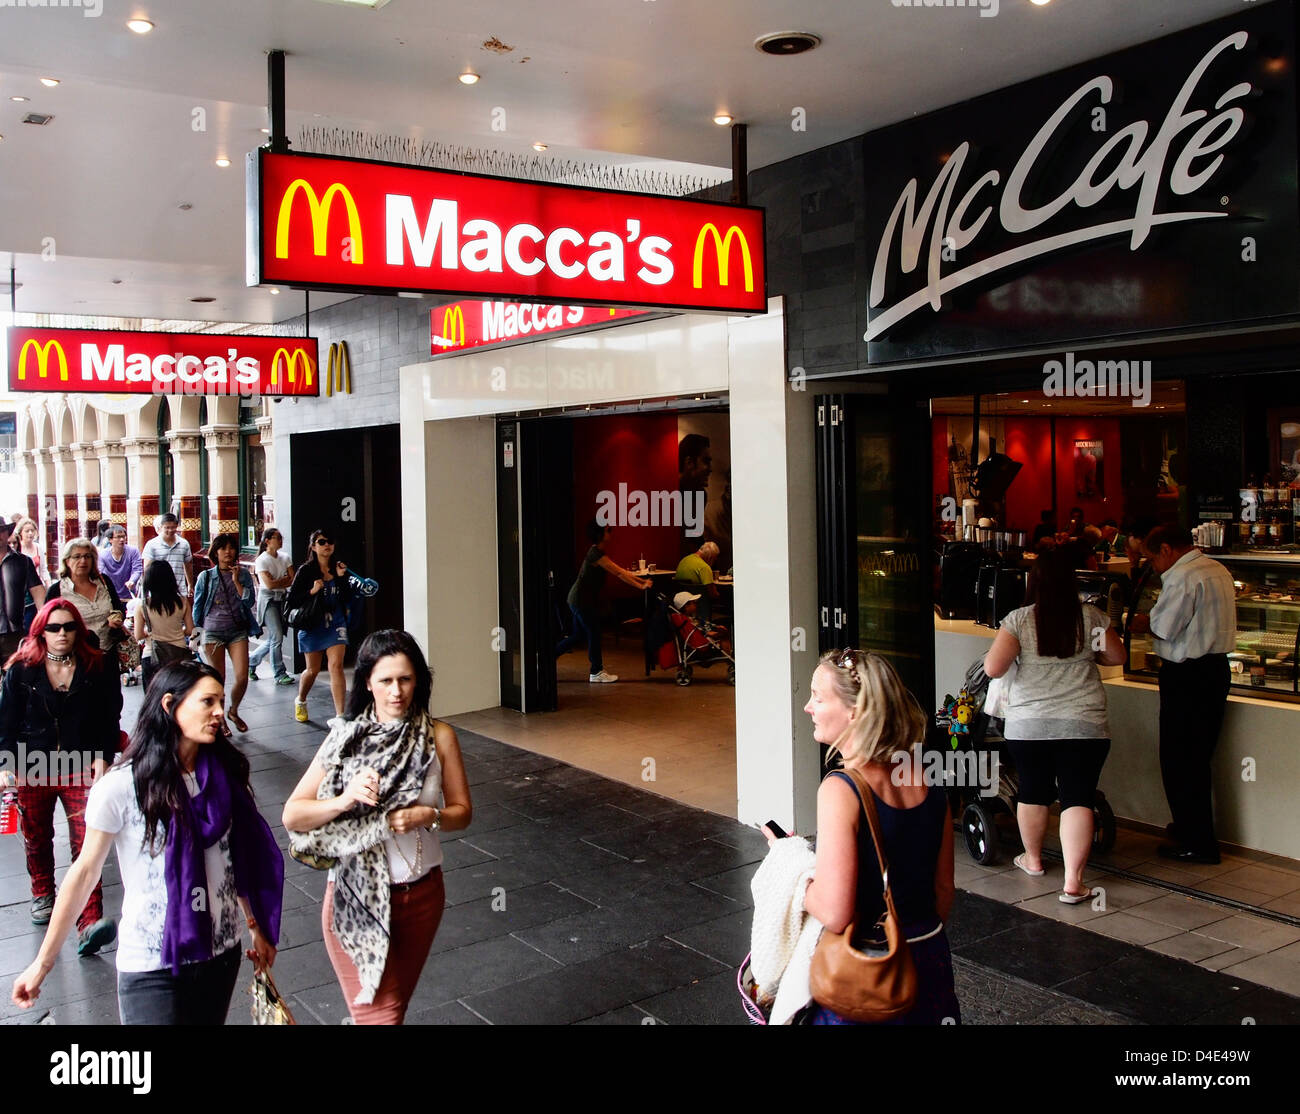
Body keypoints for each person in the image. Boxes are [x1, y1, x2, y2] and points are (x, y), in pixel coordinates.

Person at [9, 660, 284, 1024]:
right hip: (151, 961)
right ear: (169, 706)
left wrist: (255, 926)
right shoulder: (121, 786)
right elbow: (84, 872)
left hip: (220, 951)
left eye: (221, 701)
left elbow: (237, 859)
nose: (219, 712)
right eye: (207, 702)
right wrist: (42, 964)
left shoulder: (223, 774)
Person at [283, 630, 471, 1024]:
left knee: (390, 1011)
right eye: (385, 680)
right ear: (367, 683)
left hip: (422, 896)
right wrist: (344, 798)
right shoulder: (344, 739)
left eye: (404, 679)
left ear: (418, 679)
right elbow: (293, 814)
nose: (396, 691)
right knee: (380, 1018)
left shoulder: (439, 737)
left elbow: (462, 812)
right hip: (356, 899)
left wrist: (429, 816)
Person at [768, 649, 958, 1024]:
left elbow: (836, 912)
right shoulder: (929, 782)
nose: (808, 707)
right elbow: (943, 893)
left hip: (866, 969)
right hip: (928, 959)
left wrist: (788, 867)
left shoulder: (841, 789)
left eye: (818, 698)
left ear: (855, 712)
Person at [983, 548, 1126, 902]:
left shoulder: (1018, 620)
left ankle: (1032, 860)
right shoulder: (1091, 617)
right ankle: (1074, 882)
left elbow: (993, 668)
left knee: (1033, 790)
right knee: (1077, 797)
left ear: (1035, 581)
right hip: (1083, 723)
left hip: (1030, 724)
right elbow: (1117, 657)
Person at [0, 600, 122, 954]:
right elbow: (5, 724)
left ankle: (89, 921)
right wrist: (7, 765)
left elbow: (108, 715)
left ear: (79, 630)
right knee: (37, 836)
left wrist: (103, 755)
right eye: (53, 628)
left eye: (69, 627)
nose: (62, 634)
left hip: (80, 761)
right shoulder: (22, 670)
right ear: (40, 631)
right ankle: (42, 893)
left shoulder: (96, 665)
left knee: (87, 842)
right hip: (31, 764)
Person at [1127, 525, 1236, 865]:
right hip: (1217, 670)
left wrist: (1139, 621)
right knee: (1199, 757)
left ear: (1165, 550)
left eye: (1150, 558)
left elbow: (1164, 627)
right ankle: (1193, 829)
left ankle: (1196, 842)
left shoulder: (1181, 577)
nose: (1152, 566)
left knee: (1179, 760)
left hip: (1187, 675)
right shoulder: (1217, 568)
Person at [555, 520, 651, 684]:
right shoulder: (595, 555)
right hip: (581, 600)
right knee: (593, 633)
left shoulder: (598, 552)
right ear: (600, 534)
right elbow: (620, 573)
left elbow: (621, 571)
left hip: (579, 599)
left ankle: (545, 659)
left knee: (578, 635)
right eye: (608, 530)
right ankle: (596, 671)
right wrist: (641, 586)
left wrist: (642, 582)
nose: (611, 533)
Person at [191, 534, 260, 734]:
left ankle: (234, 710)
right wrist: (195, 639)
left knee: (241, 676)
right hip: (212, 632)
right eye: (223, 549)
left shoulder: (244, 574)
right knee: (218, 679)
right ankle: (220, 719)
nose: (228, 552)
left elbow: (248, 602)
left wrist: (237, 581)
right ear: (216, 552)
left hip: (237, 630)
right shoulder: (206, 577)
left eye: (231, 548)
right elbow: (197, 608)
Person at [286, 529, 355, 721]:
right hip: (313, 624)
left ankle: (340, 715)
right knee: (312, 670)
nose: (327, 545)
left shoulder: (338, 568)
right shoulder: (306, 570)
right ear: (313, 547)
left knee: (336, 665)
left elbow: (348, 597)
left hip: (336, 622)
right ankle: (301, 699)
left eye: (330, 541)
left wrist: (341, 578)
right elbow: (292, 600)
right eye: (322, 542)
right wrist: (312, 590)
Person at [46, 537, 125, 655]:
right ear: (67, 561)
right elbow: (48, 625)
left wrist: (117, 618)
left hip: (108, 653)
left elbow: (119, 608)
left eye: (87, 556)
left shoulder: (104, 582)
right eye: (77, 556)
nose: (83, 561)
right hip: (75, 656)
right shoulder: (56, 591)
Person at [134, 559, 195, 688]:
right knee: (177, 698)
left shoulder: (142, 605)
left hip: (151, 656)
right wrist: (177, 631)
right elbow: (190, 630)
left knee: (153, 701)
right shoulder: (183, 602)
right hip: (179, 654)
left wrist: (150, 632)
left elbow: (138, 635)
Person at [248, 528, 294, 686]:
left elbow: (292, 579)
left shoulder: (285, 557)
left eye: (281, 538)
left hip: (281, 599)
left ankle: (251, 662)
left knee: (275, 637)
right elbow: (268, 584)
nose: (280, 540)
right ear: (267, 541)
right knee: (277, 636)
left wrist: (277, 582)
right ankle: (279, 673)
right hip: (268, 600)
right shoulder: (262, 560)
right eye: (277, 538)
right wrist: (281, 581)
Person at [0, 517, 46, 663]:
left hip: (14, 633)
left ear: (8, 533)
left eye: (1, 531)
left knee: (14, 678)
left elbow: (38, 592)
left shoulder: (23, 561)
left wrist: (45, 621)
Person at [142, 512, 195, 598]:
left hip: (179, 591)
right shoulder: (152, 544)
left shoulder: (184, 544)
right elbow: (147, 568)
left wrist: (190, 584)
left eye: (173, 527)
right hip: (158, 591)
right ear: (161, 527)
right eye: (167, 528)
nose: (170, 530)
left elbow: (188, 564)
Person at [15, 516, 51, 634]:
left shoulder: (38, 547)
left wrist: (48, 585)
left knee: (38, 618)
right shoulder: (17, 549)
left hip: (36, 585)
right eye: (27, 531)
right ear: (20, 532)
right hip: (22, 589)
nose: (30, 533)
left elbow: (43, 569)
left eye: (32, 530)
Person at [98, 525, 143, 601]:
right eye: (118, 537)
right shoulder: (103, 554)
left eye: (124, 536)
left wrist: (132, 581)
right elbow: (99, 572)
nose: (122, 539)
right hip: (110, 595)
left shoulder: (133, 551)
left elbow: (137, 569)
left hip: (129, 594)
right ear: (110, 539)